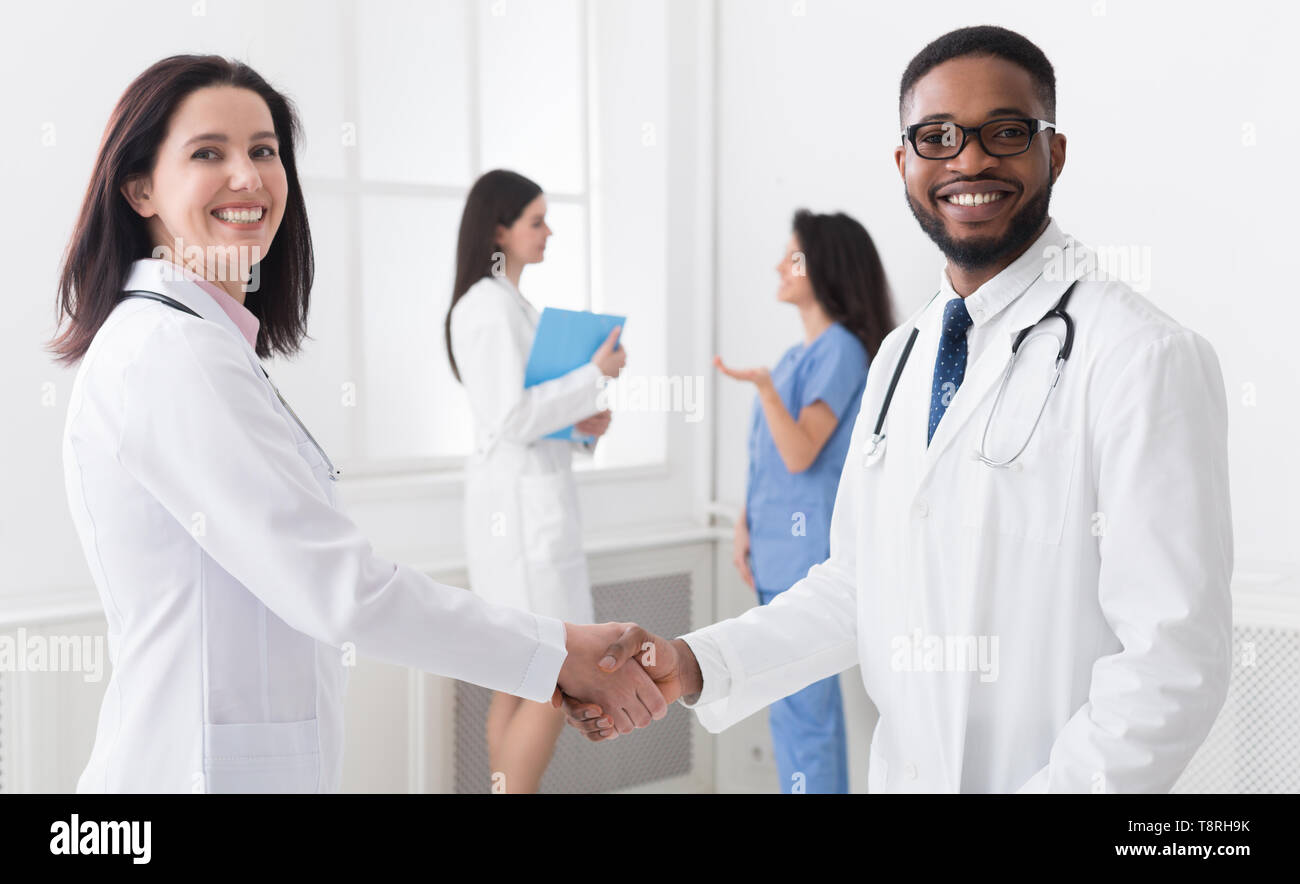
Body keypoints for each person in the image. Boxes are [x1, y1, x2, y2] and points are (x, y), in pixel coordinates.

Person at [564, 25, 1233, 794]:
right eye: (937, 137)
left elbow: (1172, 660)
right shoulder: (901, 355)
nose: (969, 159)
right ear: (904, 162)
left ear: (1055, 152)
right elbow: (855, 586)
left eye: (1005, 133)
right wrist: (694, 663)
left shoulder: (1141, 355)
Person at [48, 55, 662, 794]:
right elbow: (338, 588)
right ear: (140, 186)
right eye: (208, 152)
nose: (247, 176)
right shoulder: (167, 352)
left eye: (265, 151)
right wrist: (554, 648)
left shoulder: (202, 344)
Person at [446, 169, 624, 793]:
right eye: (536, 221)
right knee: (550, 676)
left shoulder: (515, 306)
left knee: (518, 679)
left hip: (529, 505)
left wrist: (582, 421)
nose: (549, 231)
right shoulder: (486, 309)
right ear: (500, 229)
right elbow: (510, 416)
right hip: (518, 523)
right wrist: (591, 375)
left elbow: (528, 414)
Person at [716, 209, 893, 793]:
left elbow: (799, 453)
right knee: (785, 704)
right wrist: (744, 526)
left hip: (806, 552)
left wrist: (764, 389)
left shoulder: (840, 351)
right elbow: (766, 458)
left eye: (793, 256)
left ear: (826, 267)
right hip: (773, 551)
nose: (777, 266)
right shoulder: (797, 357)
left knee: (805, 709)